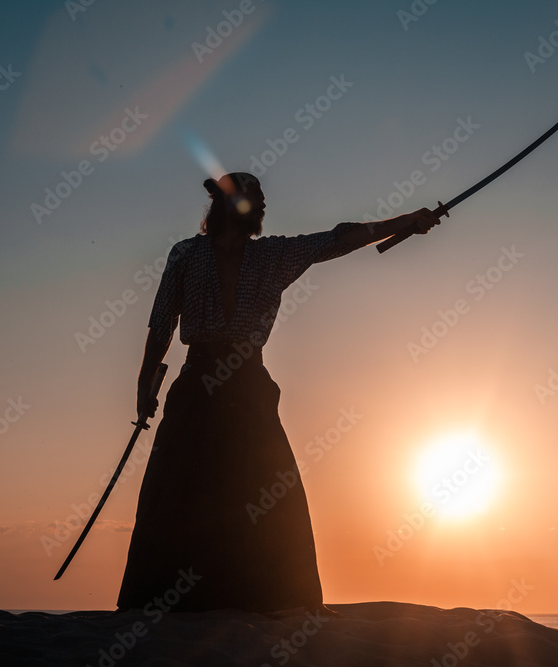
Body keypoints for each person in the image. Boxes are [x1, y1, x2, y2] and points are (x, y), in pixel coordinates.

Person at [116, 172, 439, 615]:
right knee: (175, 490)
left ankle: (278, 599)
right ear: (224, 205)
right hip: (197, 382)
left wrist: (407, 220)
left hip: (248, 384)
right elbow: (161, 323)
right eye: (253, 200)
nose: (262, 207)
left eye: (261, 201)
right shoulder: (186, 255)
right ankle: (162, 601)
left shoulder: (273, 254)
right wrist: (143, 385)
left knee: (267, 490)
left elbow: (340, 239)